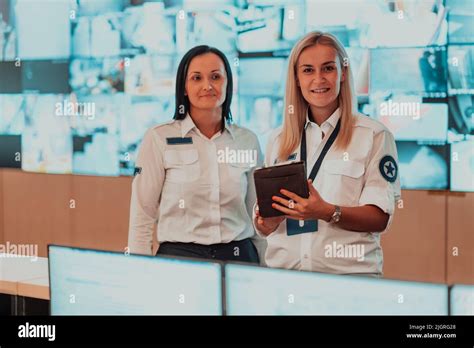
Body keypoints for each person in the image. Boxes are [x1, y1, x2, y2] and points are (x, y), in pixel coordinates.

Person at [254, 32, 401, 277]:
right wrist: (265, 223)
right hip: (284, 278)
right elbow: (265, 225)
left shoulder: (374, 135)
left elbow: (379, 218)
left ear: (343, 74)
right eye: (308, 70)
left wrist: (326, 211)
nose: (319, 79)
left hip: (347, 281)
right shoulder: (278, 140)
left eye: (328, 68)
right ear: (297, 79)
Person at [128, 45, 263, 263]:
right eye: (196, 78)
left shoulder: (248, 140)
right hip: (179, 259)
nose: (207, 85)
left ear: (228, 83)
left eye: (216, 77)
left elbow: (258, 218)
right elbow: (142, 215)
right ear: (184, 87)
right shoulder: (159, 138)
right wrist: (140, 272)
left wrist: (265, 269)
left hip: (239, 258)